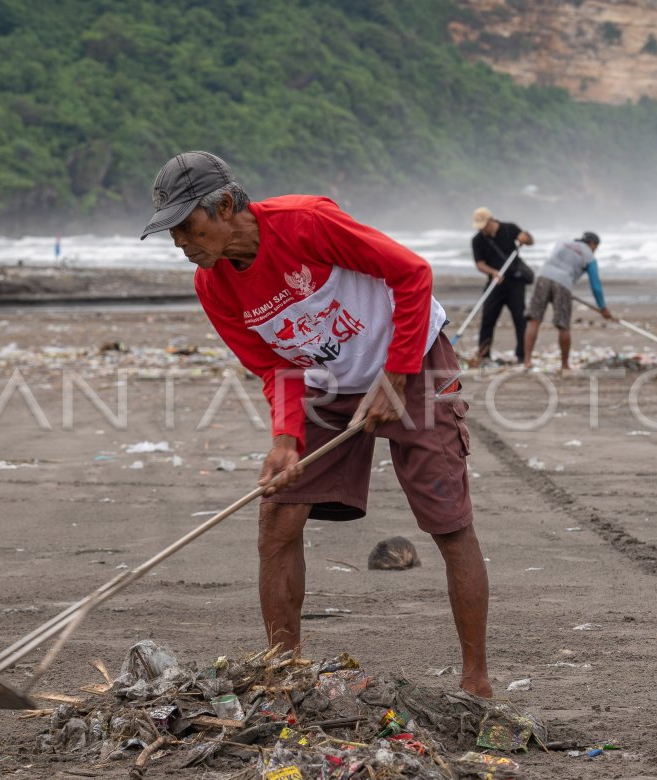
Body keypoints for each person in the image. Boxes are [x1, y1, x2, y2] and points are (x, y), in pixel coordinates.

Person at [141, 152, 491, 697]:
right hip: (325, 382)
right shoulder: (213, 286)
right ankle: (287, 679)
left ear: (227, 206)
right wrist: (285, 440)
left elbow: (412, 274)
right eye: (172, 233)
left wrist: (395, 378)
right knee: (277, 517)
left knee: (448, 523)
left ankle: (476, 682)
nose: (182, 243)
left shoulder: (306, 223)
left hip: (413, 357)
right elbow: (274, 365)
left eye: (189, 226)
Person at [523, 232, 612, 372]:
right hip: (563, 283)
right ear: (593, 244)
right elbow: (595, 285)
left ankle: (527, 361)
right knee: (563, 325)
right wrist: (603, 307)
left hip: (543, 276)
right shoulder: (589, 256)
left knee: (534, 320)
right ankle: (564, 365)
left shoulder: (562, 243)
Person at [471, 207, 533, 364]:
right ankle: (484, 355)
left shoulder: (508, 228)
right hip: (495, 283)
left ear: (491, 220)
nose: (482, 230)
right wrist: (493, 272)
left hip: (515, 282)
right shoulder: (477, 240)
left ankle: (522, 355)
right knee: (488, 318)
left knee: (520, 318)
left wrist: (525, 238)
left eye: (484, 225)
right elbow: (480, 264)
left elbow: (528, 240)